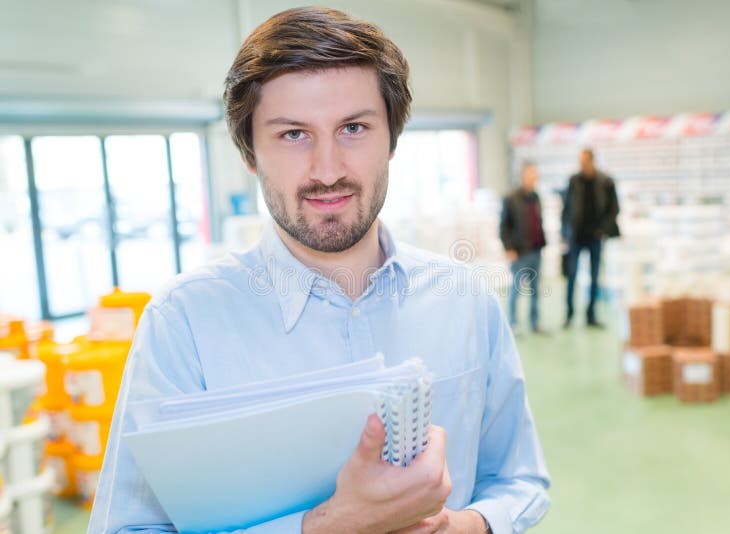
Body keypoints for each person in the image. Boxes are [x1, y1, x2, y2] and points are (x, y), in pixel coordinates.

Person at [88, 7, 550, 534]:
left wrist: (468, 526)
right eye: (293, 135)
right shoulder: (184, 324)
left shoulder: (465, 299)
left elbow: (520, 480)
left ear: (392, 140)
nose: (327, 170)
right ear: (249, 153)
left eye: (353, 127)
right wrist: (327, 526)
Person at [561, 148, 619, 328]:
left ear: (592, 161)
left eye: (585, 160)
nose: (582, 164)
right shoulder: (573, 181)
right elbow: (566, 208)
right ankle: (569, 315)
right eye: (580, 161)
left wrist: (603, 229)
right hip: (576, 237)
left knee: (594, 277)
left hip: (595, 237)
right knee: (572, 276)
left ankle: (591, 315)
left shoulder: (605, 182)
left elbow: (614, 208)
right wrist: (564, 232)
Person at [500, 162, 547, 335]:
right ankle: (512, 324)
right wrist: (509, 248)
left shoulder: (536, 197)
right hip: (519, 252)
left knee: (535, 290)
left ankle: (535, 323)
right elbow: (504, 226)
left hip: (536, 250)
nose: (533, 178)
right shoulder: (511, 198)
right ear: (522, 176)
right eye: (530, 174)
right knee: (516, 289)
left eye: (535, 174)